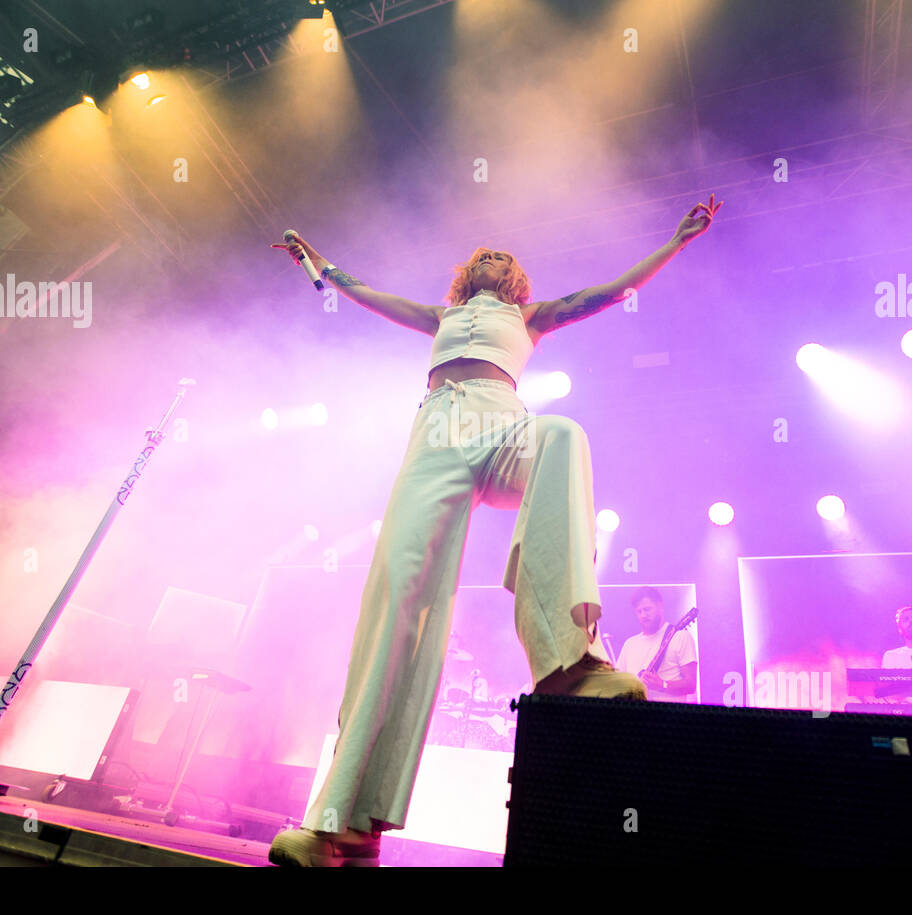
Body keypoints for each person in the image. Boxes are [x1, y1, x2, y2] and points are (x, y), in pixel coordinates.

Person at [267, 196, 723, 866]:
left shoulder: (529, 320)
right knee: (400, 594)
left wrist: (675, 243)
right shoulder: (443, 316)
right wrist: (318, 263)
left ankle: (570, 662)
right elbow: (369, 294)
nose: (492, 254)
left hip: (503, 424)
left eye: (504, 256)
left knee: (563, 434)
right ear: (467, 274)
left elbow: (608, 291)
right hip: (439, 436)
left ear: (515, 281)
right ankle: (345, 828)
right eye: (482, 253)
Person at [613, 586, 697, 703]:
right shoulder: (630, 644)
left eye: (647, 609)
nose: (643, 615)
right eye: (639, 611)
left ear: (660, 606)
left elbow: (691, 684)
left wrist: (663, 685)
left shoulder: (680, 637)